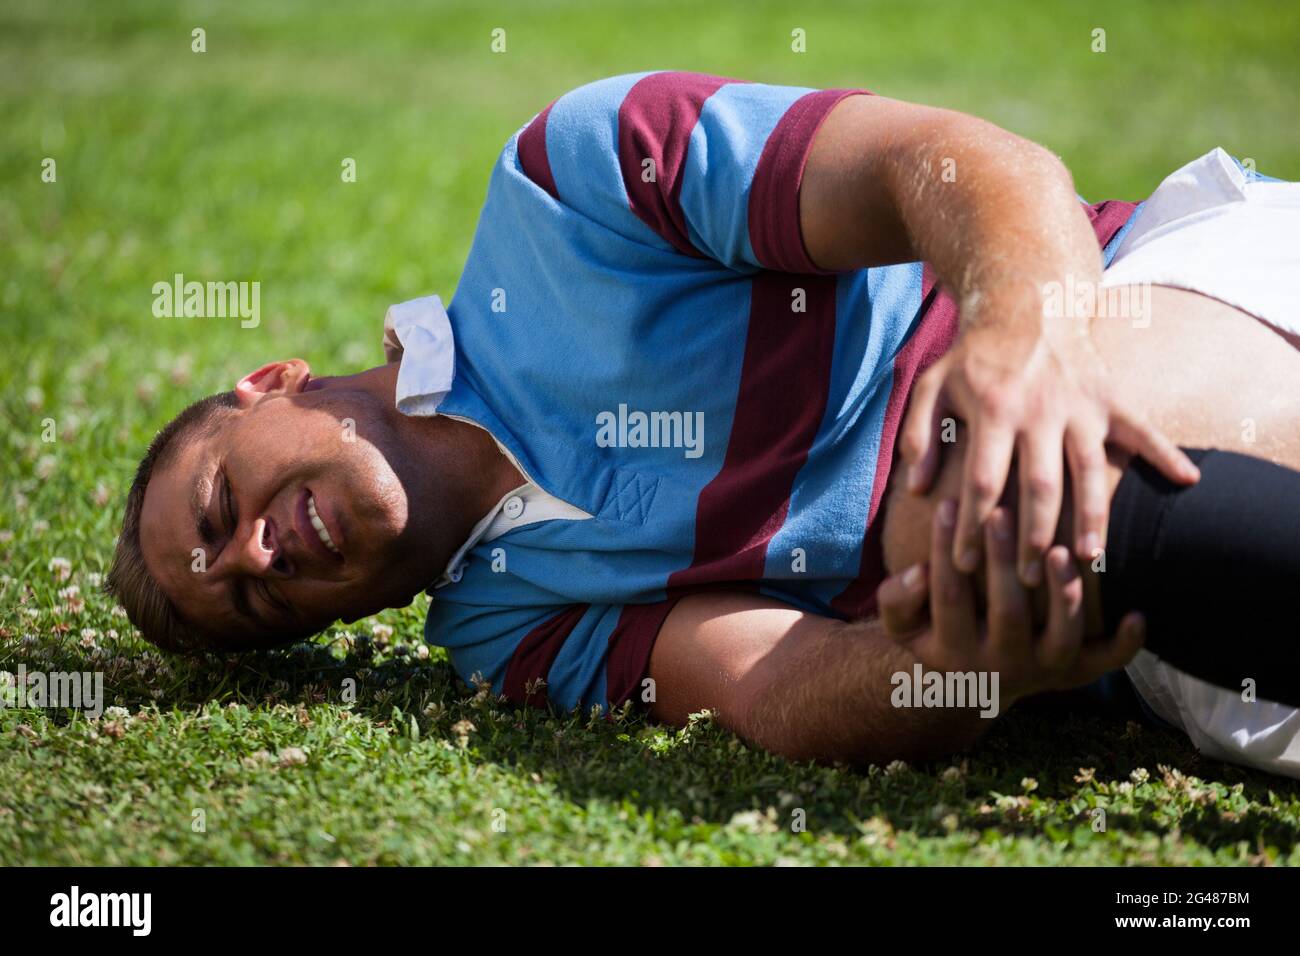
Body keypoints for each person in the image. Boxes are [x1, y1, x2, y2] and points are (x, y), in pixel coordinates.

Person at [106, 72, 1300, 776]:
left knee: (995, 477)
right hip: (1146, 637)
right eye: (256, 600)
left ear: (269, 381)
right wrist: (969, 665)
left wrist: (1017, 338)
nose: (261, 553)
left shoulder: (564, 186)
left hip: (1152, 297)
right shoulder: (504, 634)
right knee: (1003, 533)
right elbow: (774, 690)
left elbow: (954, 162)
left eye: (218, 506)